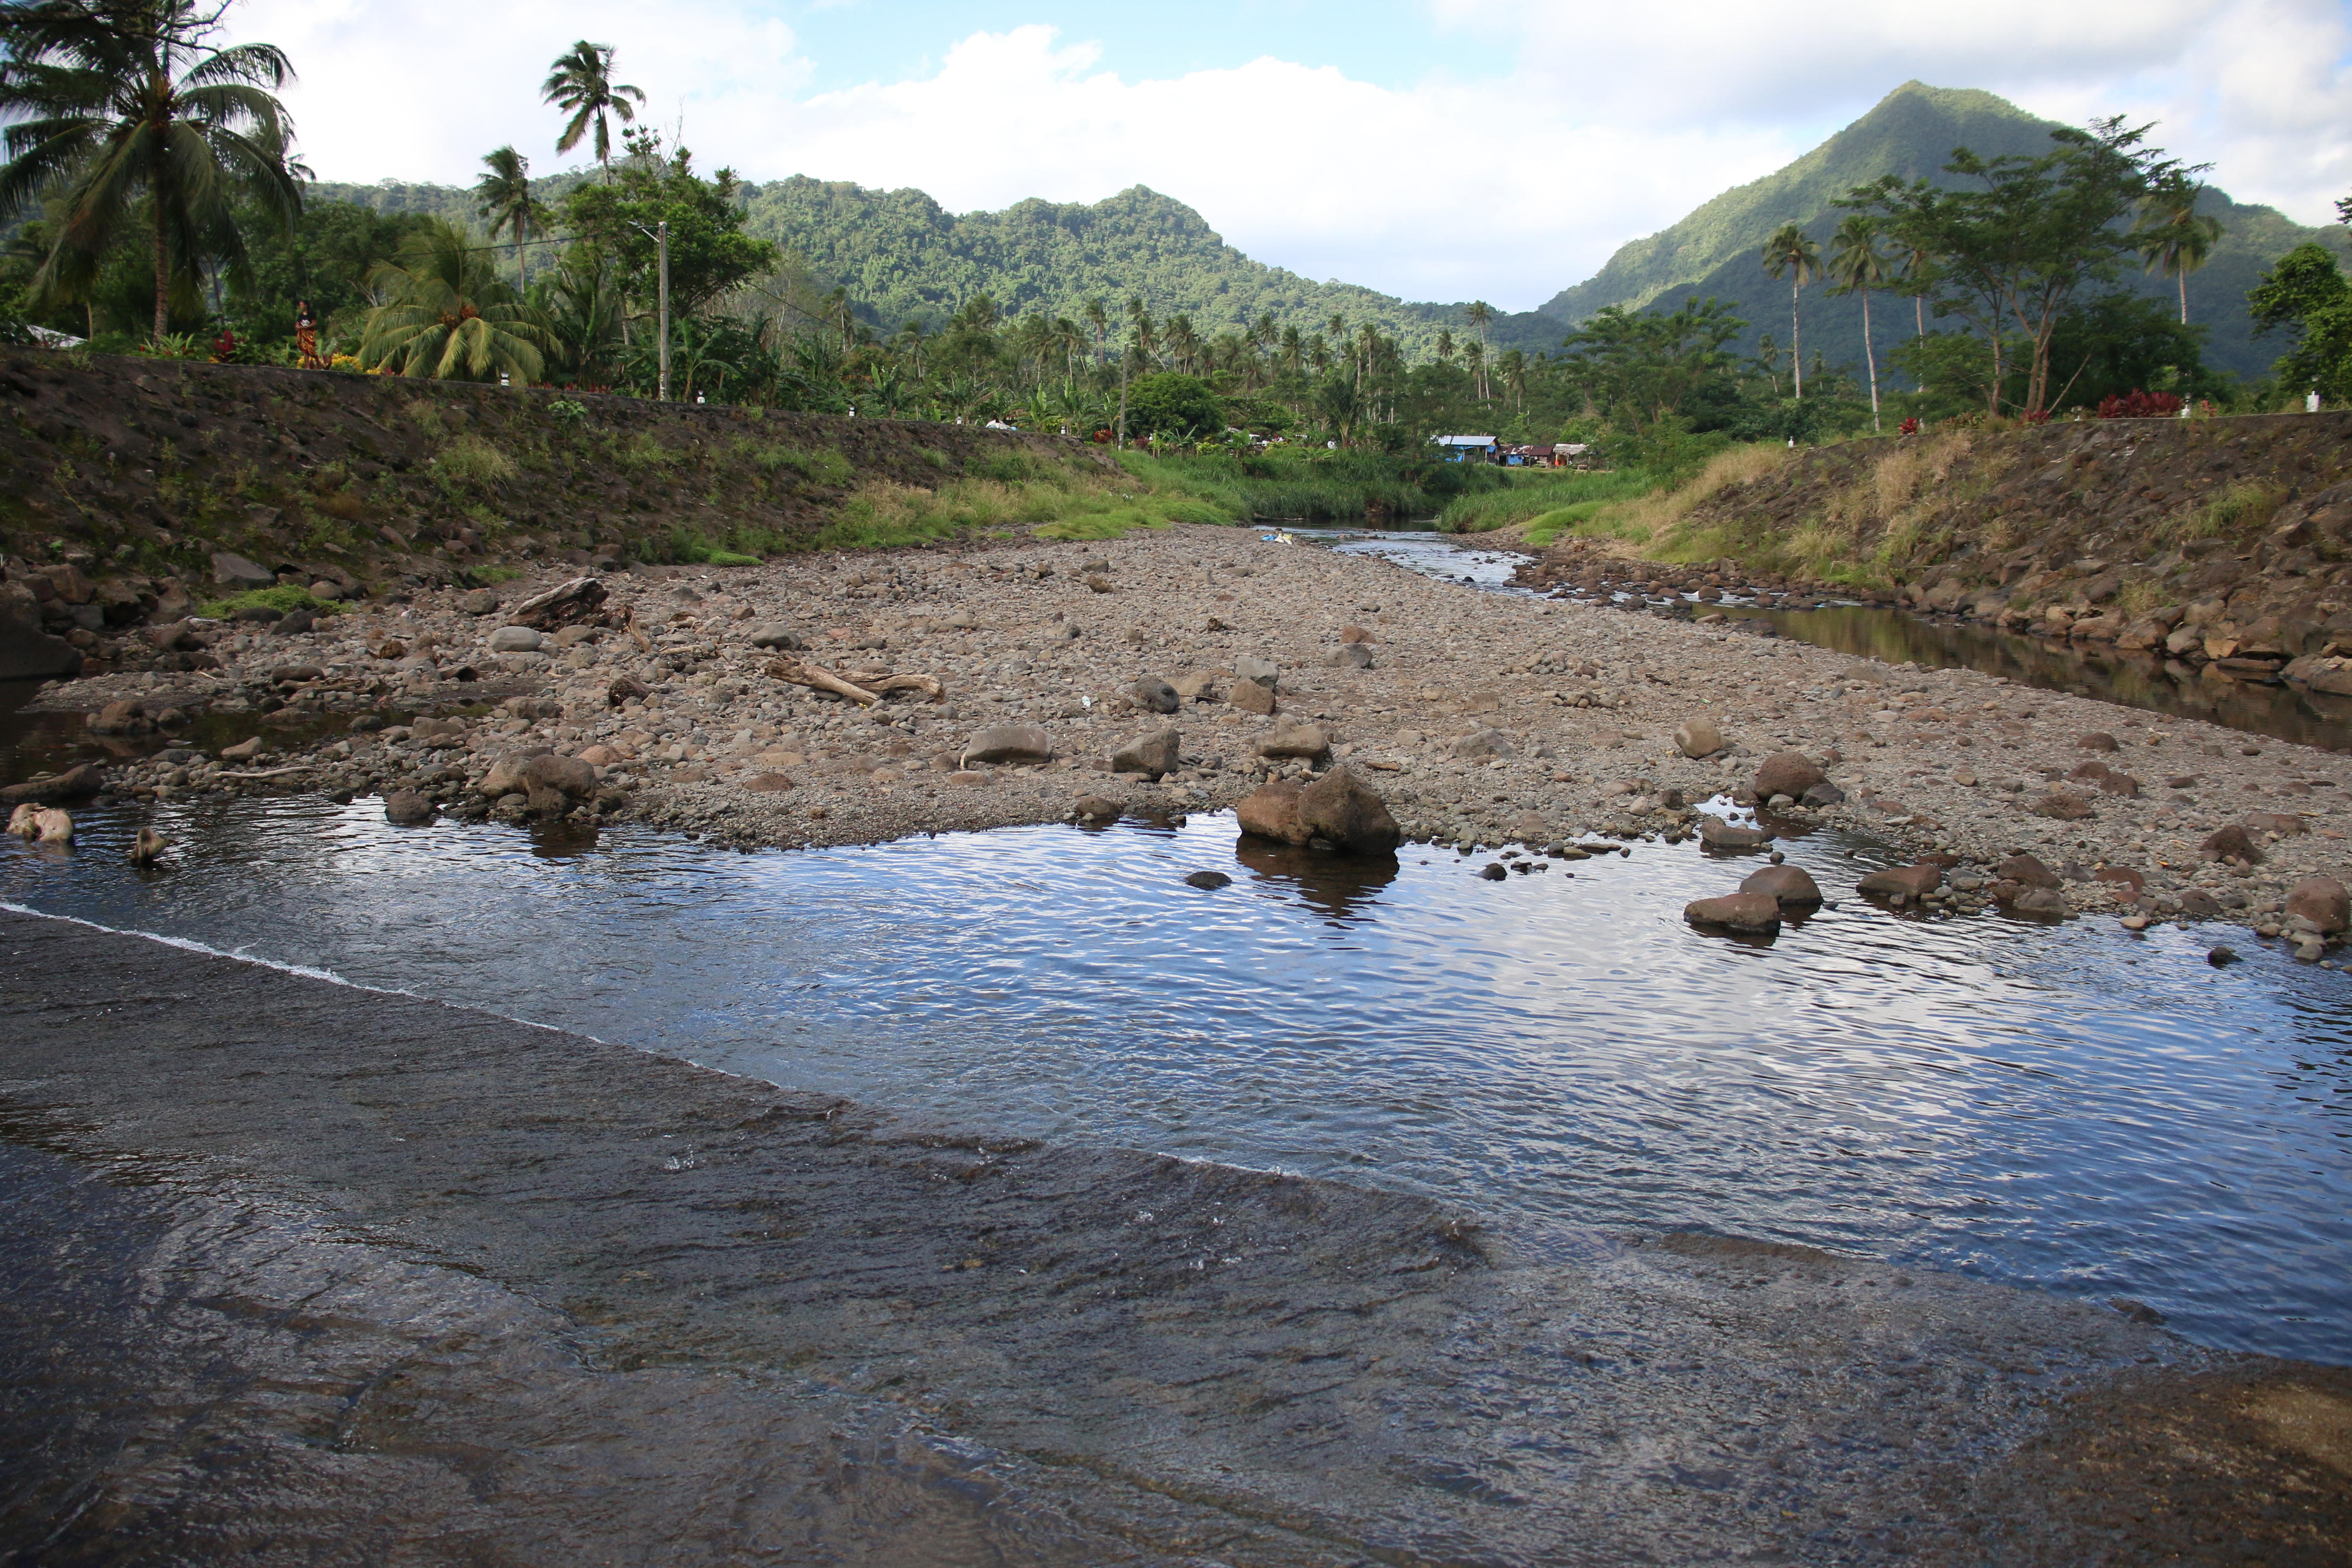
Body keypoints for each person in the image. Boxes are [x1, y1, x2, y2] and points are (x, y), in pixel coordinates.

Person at [294, 298, 322, 370]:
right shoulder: (301, 315)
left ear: (306, 305)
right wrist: (298, 327)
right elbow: (297, 324)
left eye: (301, 305)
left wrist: (305, 327)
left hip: (310, 333)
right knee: (305, 350)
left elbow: (314, 324)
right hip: (303, 334)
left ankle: (319, 363)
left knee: (311, 349)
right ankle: (307, 366)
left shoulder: (312, 314)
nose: (300, 306)